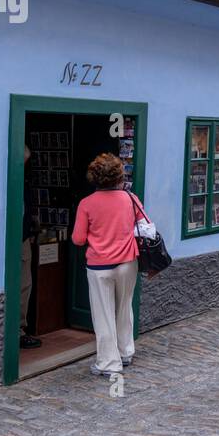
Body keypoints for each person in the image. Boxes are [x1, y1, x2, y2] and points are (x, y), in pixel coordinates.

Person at [72, 153, 142, 376]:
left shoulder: (86, 204)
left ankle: (108, 363)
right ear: (118, 176)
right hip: (127, 262)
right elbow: (143, 225)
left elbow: (78, 239)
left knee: (103, 314)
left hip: (100, 265)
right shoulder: (130, 198)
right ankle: (126, 351)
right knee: (124, 307)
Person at [19, 145, 42, 350]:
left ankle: (19, 330)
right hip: (8, 240)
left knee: (24, 284)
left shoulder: (23, 182)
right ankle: (15, 330)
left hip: (22, 238)